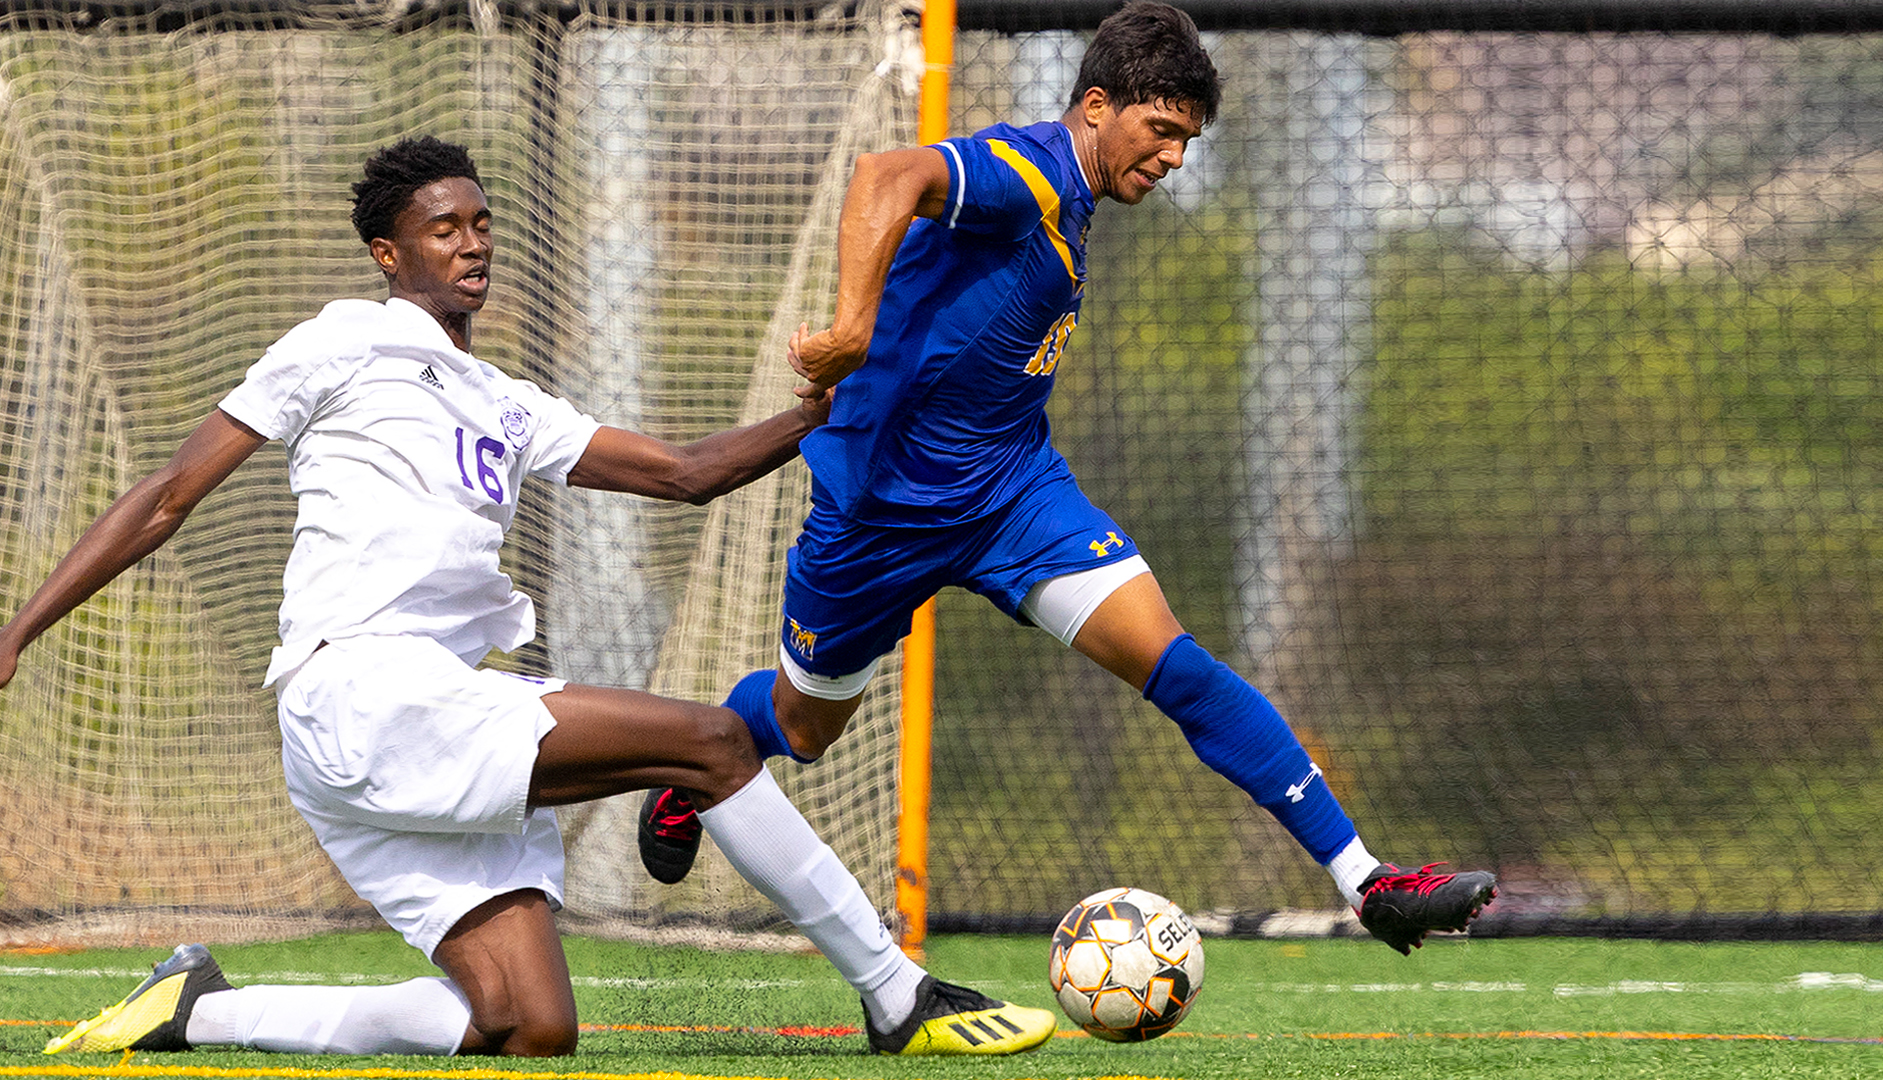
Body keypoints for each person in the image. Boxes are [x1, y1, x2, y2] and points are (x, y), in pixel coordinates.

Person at [3, 136, 1054, 1058]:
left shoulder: (506, 402)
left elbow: (686, 473)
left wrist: (835, 404)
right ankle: (895, 994)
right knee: (713, 744)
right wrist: (16, 633)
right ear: (389, 254)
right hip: (365, 692)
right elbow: (164, 498)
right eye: (443, 227)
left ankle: (198, 1011)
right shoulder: (341, 339)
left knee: (523, 1026)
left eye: (482, 223)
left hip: (421, 714)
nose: (472, 242)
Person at [637, 2, 1498, 954]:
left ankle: (1368, 882)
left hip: (1013, 495)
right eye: (1161, 130)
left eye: (1186, 140)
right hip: (880, 508)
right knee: (802, 729)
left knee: (1179, 668)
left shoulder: (1079, 201)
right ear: (1097, 105)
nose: (1173, 157)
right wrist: (848, 327)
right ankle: (696, 760)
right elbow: (890, 172)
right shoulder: (1034, 172)